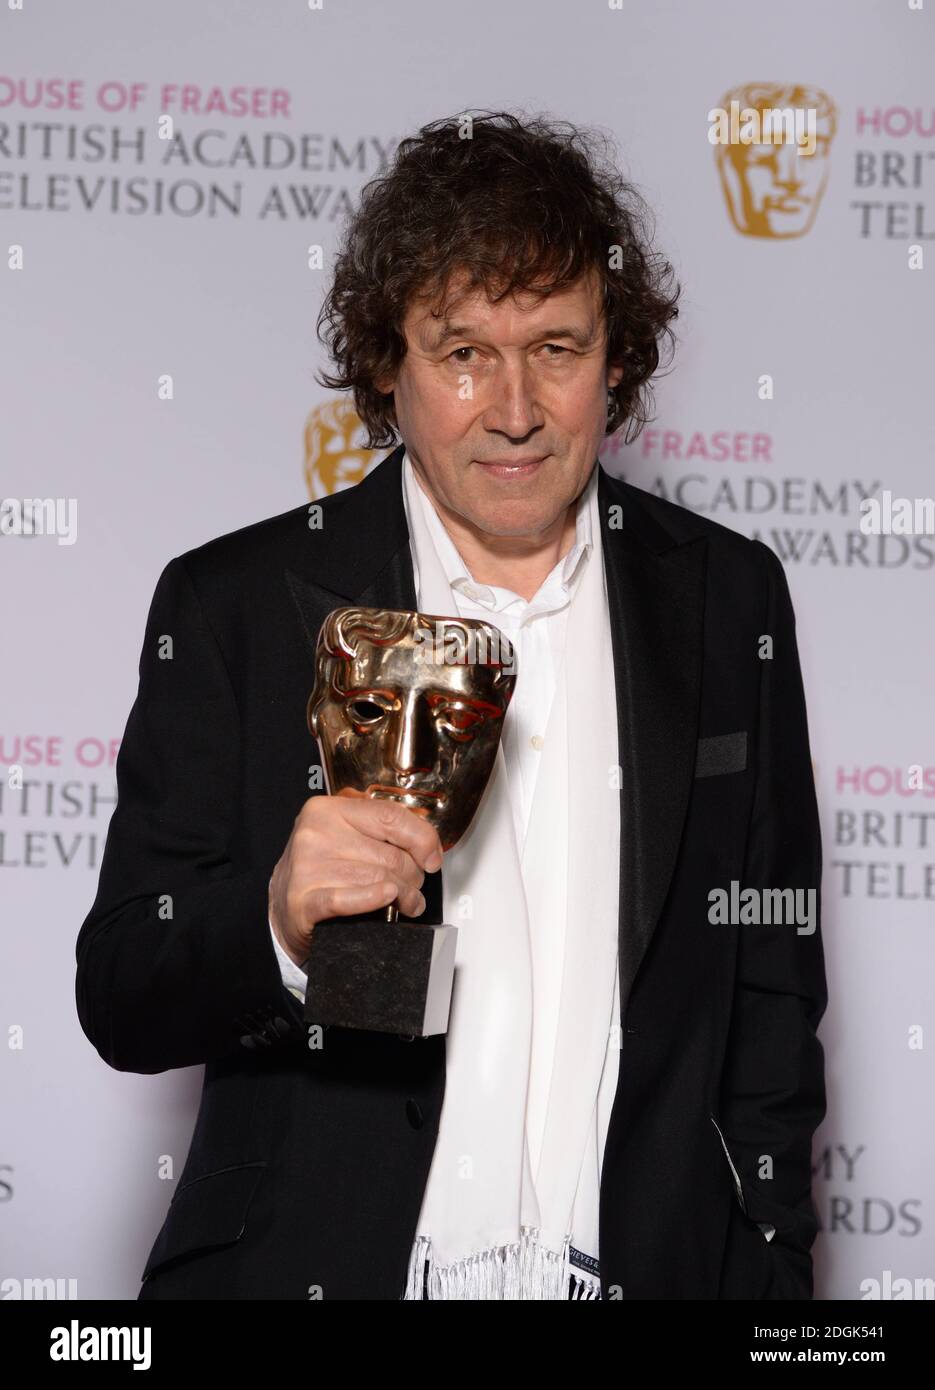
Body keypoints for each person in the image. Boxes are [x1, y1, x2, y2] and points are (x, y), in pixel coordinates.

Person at [75, 110, 827, 1300]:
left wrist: (772, 1268)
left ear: (616, 358)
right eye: (463, 351)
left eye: (558, 348)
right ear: (388, 363)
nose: (514, 406)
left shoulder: (727, 594)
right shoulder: (239, 604)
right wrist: (276, 922)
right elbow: (121, 985)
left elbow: (773, 988)